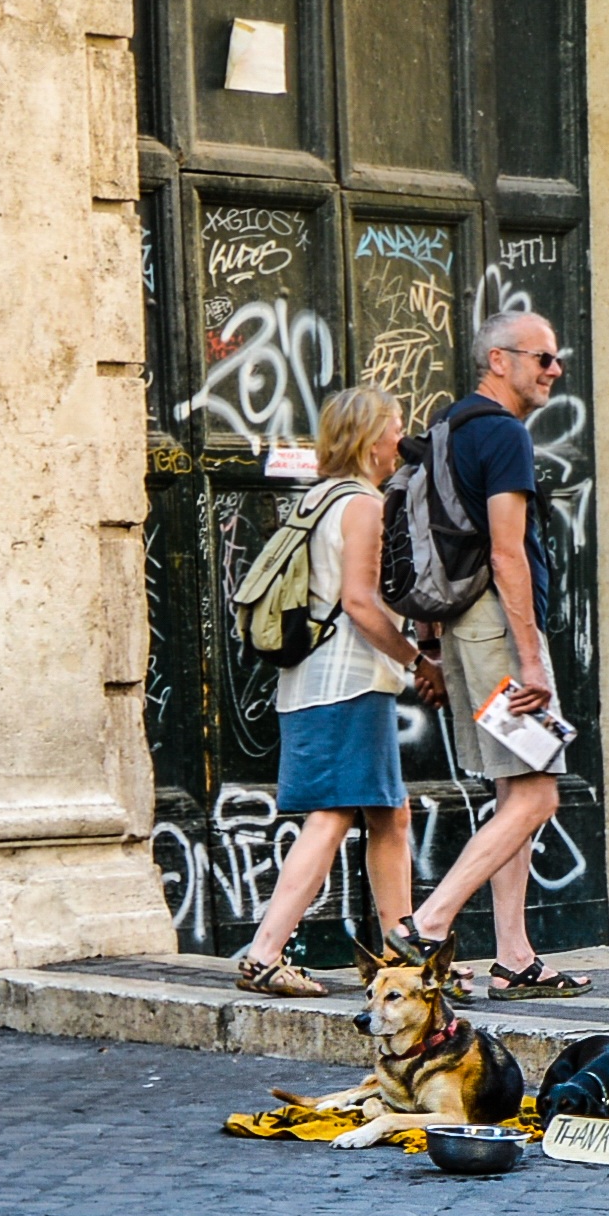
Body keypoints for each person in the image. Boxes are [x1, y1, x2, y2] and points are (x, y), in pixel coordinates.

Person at [397, 310, 592, 999]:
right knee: (539, 791)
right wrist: (531, 658)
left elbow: (428, 541)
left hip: (458, 629)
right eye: (543, 358)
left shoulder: (445, 428)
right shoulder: (504, 434)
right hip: (497, 631)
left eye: (555, 358)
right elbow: (506, 553)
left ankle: (514, 956)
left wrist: (428, 646)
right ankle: (427, 922)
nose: (555, 371)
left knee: (516, 789)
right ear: (500, 360)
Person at [233, 389, 430, 996]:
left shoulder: (318, 498)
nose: (402, 437)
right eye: (396, 427)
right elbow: (360, 605)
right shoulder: (364, 505)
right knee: (335, 813)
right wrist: (419, 661)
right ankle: (265, 951)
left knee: (387, 813)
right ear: (372, 439)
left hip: (311, 682)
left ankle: (405, 950)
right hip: (349, 681)